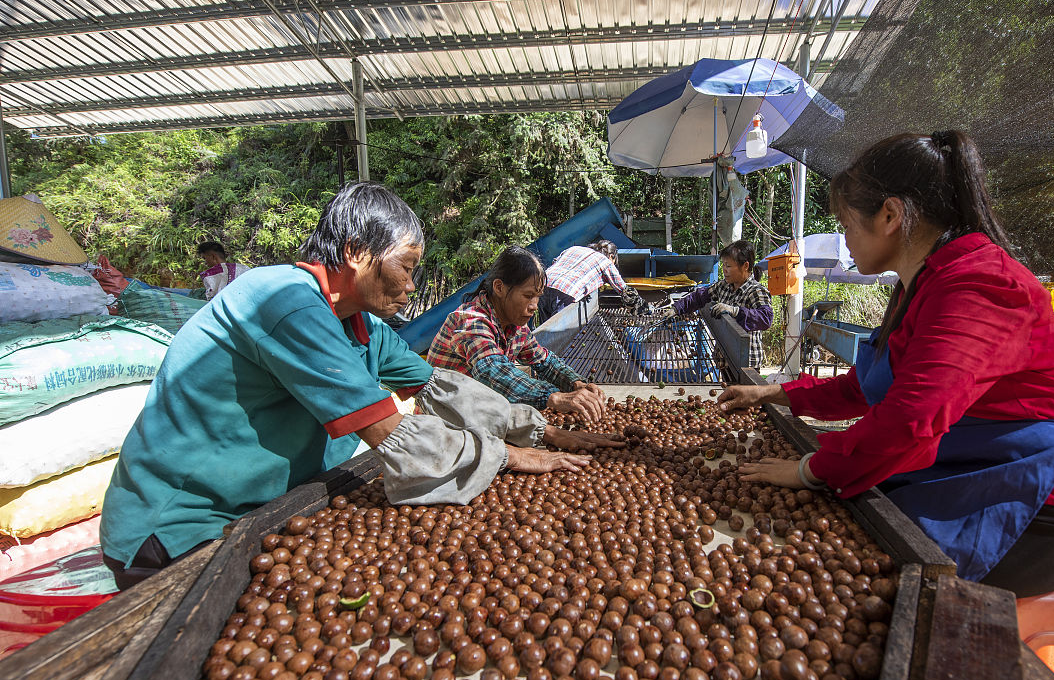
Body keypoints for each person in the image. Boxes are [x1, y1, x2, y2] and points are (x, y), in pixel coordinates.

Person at [100, 183, 612, 590]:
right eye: (406, 268)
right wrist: (506, 455)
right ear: (357, 253)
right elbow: (395, 437)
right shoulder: (286, 302)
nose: (411, 286)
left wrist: (538, 431)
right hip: (180, 531)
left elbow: (443, 389)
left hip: (263, 516)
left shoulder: (361, 324)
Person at [719, 131, 1054, 598]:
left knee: (829, 579)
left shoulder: (979, 284)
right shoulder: (920, 284)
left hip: (1026, 505)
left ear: (890, 215)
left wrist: (810, 469)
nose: (844, 238)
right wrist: (772, 392)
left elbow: (910, 416)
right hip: (953, 475)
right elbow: (867, 388)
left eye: (846, 223)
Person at [429, 246, 608, 423]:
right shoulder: (472, 322)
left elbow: (544, 361)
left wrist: (576, 383)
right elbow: (493, 371)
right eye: (528, 295)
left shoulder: (514, 326)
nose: (534, 306)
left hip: (474, 413)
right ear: (499, 287)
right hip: (444, 422)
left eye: (538, 296)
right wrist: (554, 397)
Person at [665, 240, 773, 369]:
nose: (724, 270)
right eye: (723, 265)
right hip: (724, 358)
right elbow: (699, 297)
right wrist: (677, 308)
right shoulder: (723, 286)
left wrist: (736, 311)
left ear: (745, 266)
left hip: (745, 363)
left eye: (728, 266)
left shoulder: (756, 291)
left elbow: (765, 318)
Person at [540, 240, 648, 319]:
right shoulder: (605, 262)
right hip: (566, 292)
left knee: (544, 330)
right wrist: (643, 310)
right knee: (557, 334)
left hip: (542, 285)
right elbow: (625, 290)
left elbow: (555, 263)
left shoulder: (575, 248)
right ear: (611, 256)